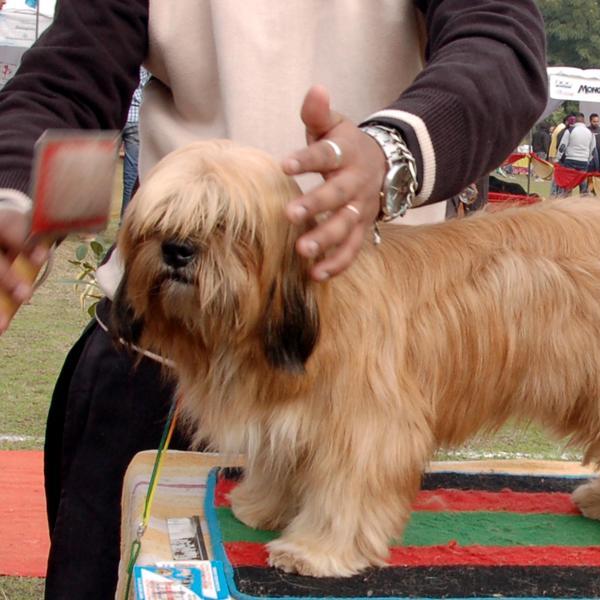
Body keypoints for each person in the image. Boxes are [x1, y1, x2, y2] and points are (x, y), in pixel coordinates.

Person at [0, 2, 548, 597]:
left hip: (354, 351)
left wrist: (393, 152)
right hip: (154, 369)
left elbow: (501, 46)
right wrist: (16, 192)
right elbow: (71, 81)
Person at [120, 67, 148, 216]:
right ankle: (124, 222)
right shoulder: (147, 66)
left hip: (118, 117)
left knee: (103, 170)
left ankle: (89, 230)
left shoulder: (121, 61)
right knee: (131, 177)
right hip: (136, 120)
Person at [557, 112, 595, 194]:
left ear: (575, 121)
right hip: (583, 161)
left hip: (570, 160)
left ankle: (567, 203)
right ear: (584, 121)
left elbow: (562, 146)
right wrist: (588, 160)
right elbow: (593, 149)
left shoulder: (569, 131)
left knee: (568, 185)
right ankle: (583, 204)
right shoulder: (590, 133)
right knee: (583, 186)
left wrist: (558, 159)